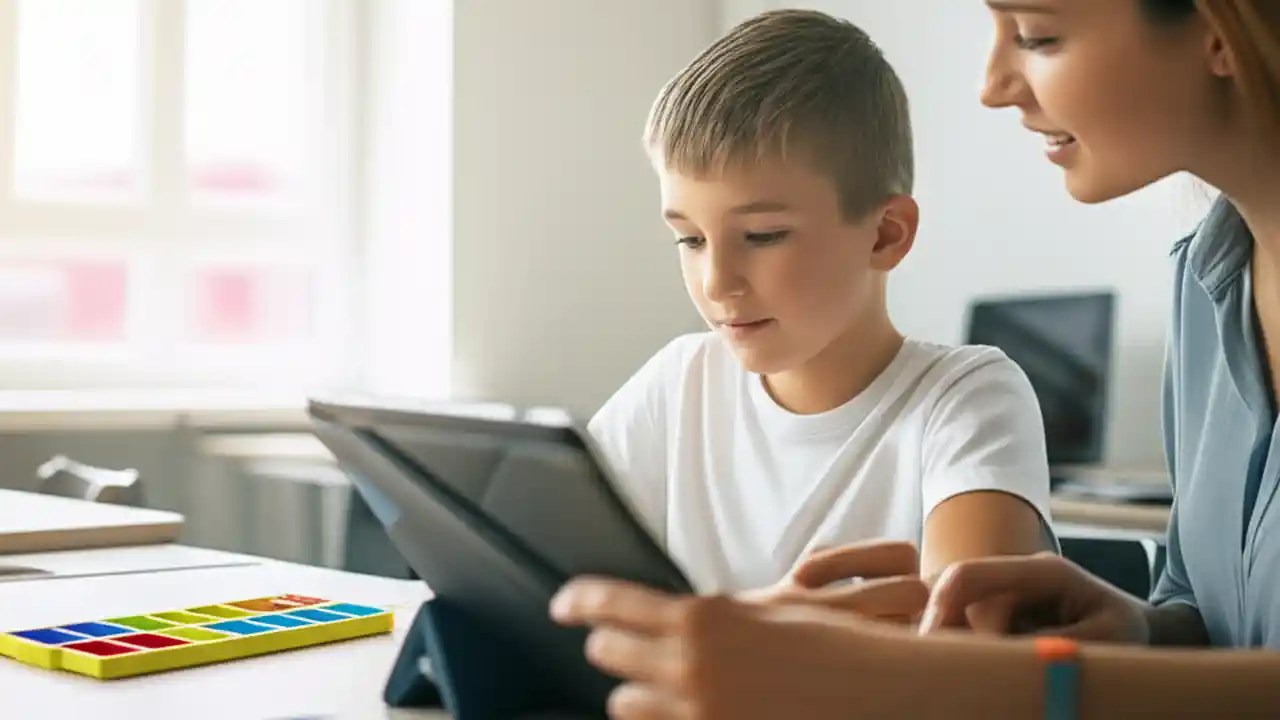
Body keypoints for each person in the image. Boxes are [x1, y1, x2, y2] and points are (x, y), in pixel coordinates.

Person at [551, 0, 1280, 717]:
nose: (990, 84)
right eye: (690, 240)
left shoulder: (961, 396)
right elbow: (1212, 619)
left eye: (1037, 33)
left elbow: (967, 667)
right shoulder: (1205, 285)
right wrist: (1143, 630)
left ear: (1220, 32)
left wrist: (1039, 685)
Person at [588, 8, 1052, 597]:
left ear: (885, 235)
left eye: (762, 236)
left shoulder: (965, 399)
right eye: (691, 239)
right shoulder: (678, 385)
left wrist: (733, 633)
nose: (716, 281)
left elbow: (963, 647)